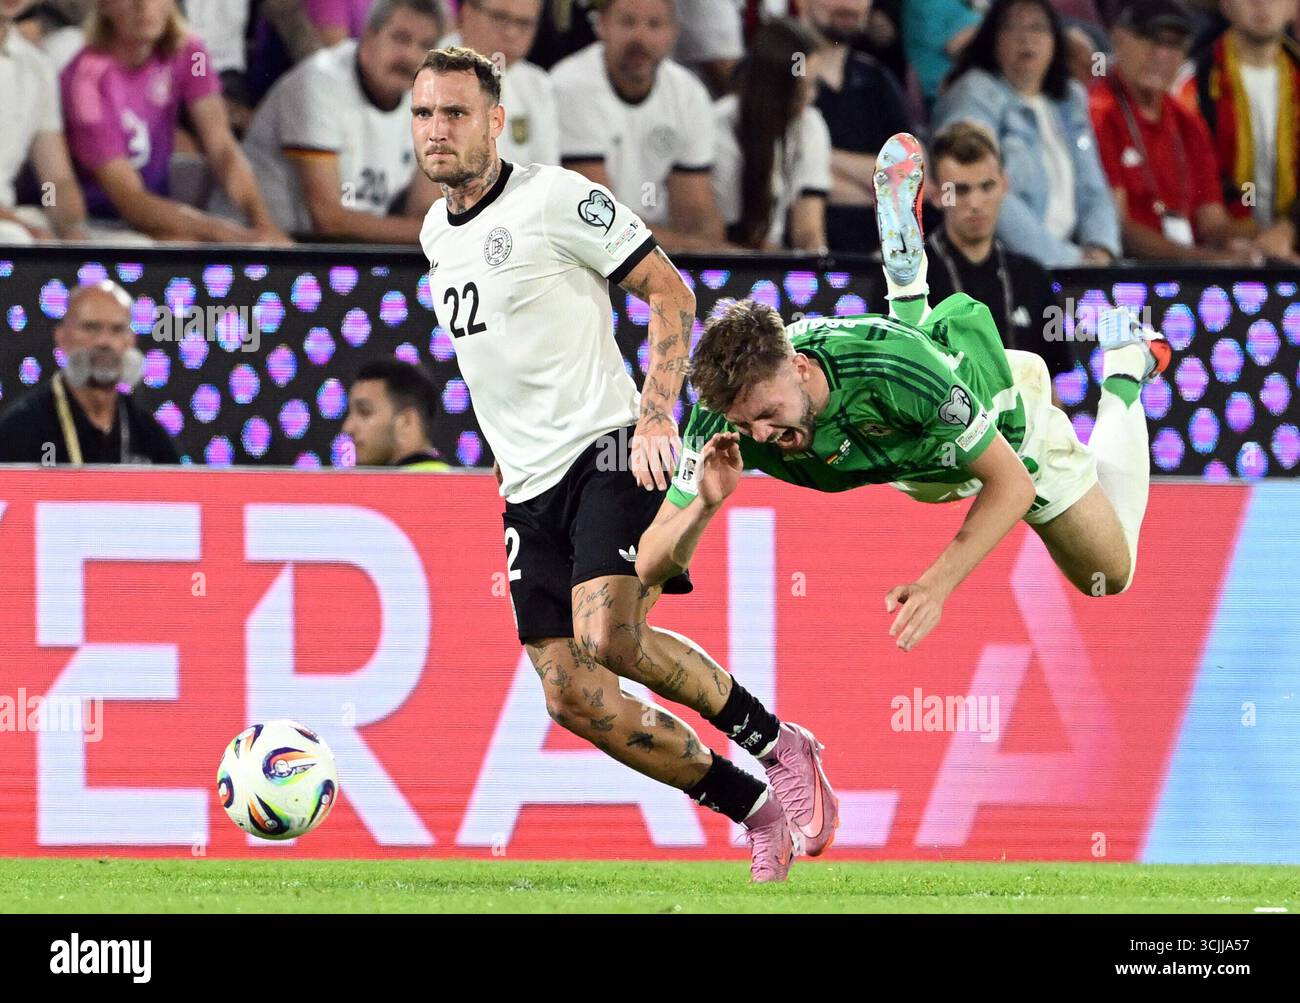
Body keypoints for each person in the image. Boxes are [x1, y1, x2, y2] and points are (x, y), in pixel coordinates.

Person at [413, 45, 839, 882]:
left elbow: (671, 292)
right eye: (425, 114)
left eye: (456, 113)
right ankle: (752, 806)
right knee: (570, 694)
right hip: (527, 488)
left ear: (496, 121)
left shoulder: (556, 199)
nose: (438, 131)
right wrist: (503, 460)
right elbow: (496, 359)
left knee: (607, 631)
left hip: (607, 448)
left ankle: (780, 742)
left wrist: (655, 413)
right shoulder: (434, 232)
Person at [636, 133, 1171, 654]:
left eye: (769, 416)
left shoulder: (889, 367)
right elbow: (651, 558)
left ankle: (1125, 365)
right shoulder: (721, 422)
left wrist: (936, 585)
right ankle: (907, 290)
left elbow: (1010, 486)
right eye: (746, 424)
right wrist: (703, 507)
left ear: (799, 368)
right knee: (906, 413)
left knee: (1110, 573)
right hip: (911, 455)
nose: (760, 437)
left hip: (1005, 421)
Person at [60, 0, 288, 243]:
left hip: (160, 209)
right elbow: (129, 199)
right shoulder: (86, 80)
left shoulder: (193, 54)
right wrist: (229, 234)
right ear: (103, 5)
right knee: (186, 245)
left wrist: (263, 224)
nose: (144, 6)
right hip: (98, 220)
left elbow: (221, 146)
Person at [218, 0, 445, 241]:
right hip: (254, 249)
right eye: (400, 38)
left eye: (425, 46)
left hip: (344, 256)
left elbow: (424, 211)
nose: (410, 56)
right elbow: (328, 219)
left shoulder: (428, 100)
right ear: (368, 35)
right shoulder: (319, 81)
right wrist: (440, 234)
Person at [868, 121, 1072, 386]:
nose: (975, 203)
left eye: (987, 187)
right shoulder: (904, 278)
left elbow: (1050, 393)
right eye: (960, 190)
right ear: (938, 194)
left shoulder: (1033, 277)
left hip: (1021, 421)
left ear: (1004, 185)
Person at [932, 0, 1120, 267]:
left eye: (1037, 28)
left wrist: (1102, 249)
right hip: (1003, 262)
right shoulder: (974, 94)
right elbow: (982, 189)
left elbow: (1094, 187)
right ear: (993, 40)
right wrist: (1070, 260)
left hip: (1076, 261)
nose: (1026, 38)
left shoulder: (1070, 98)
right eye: (1012, 28)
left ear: (1056, 40)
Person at [549, 0, 731, 252]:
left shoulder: (689, 93)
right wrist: (694, 248)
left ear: (673, 33)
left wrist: (717, 253)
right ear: (601, 25)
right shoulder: (571, 85)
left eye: (654, 24)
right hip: (588, 253)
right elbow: (598, 218)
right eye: (628, 22)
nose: (640, 36)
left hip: (663, 251)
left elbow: (694, 210)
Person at [1089, 0, 1264, 261]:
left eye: (1174, 45)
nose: (1161, 54)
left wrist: (1256, 239)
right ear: (1119, 39)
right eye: (1151, 39)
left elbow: (1211, 220)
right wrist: (1200, 259)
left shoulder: (1188, 122)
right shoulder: (1099, 112)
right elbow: (1118, 226)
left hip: (1189, 270)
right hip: (1127, 272)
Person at [0, 281, 180, 464]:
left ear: (131, 342)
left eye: (117, 329)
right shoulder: (22, 427)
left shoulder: (148, 434)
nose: (104, 341)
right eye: (91, 328)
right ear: (62, 338)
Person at [1177, 0, 1300, 260]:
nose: (1261, 5)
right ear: (1225, 5)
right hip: (1218, 254)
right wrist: (1253, 237)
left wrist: (1289, 229)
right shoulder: (1190, 83)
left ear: (1294, 7)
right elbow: (1189, 177)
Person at [799, 0, 914, 255]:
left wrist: (817, 159)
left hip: (880, 258)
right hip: (803, 260)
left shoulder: (876, 77)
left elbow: (910, 175)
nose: (850, 5)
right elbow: (775, 177)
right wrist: (880, 190)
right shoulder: (772, 73)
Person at [711, 18, 832, 251]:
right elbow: (734, 235)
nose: (809, 99)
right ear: (774, 87)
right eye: (799, 91)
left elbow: (809, 231)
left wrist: (819, 268)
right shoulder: (722, 125)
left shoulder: (812, 125)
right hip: (729, 260)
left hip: (774, 260)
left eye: (813, 86)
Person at [0, 0, 88, 243]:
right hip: (9, 230)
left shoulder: (37, 66)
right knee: (16, 238)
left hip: (11, 219)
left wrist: (71, 229)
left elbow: (54, 181)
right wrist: (22, 227)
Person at [441, 0, 560, 167]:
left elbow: (547, 176)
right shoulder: (423, 70)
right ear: (466, 13)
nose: (511, 33)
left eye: (524, 23)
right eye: (499, 17)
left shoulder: (537, 84)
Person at [343, 356, 451, 469]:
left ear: (407, 423)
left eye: (365, 412)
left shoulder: (417, 485)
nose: (348, 428)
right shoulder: (454, 482)